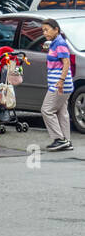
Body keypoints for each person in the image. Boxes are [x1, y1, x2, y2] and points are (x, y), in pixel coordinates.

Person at [41, 18, 75, 152]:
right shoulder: (55, 42)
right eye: (43, 30)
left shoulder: (59, 43)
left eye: (47, 29)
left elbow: (66, 62)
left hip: (60, 84)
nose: (44, 33)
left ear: (56, 30)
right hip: (62, 83)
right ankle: (67, 141)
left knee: (46, 110)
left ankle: (59, 139)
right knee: (62, 112)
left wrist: (60, 80)